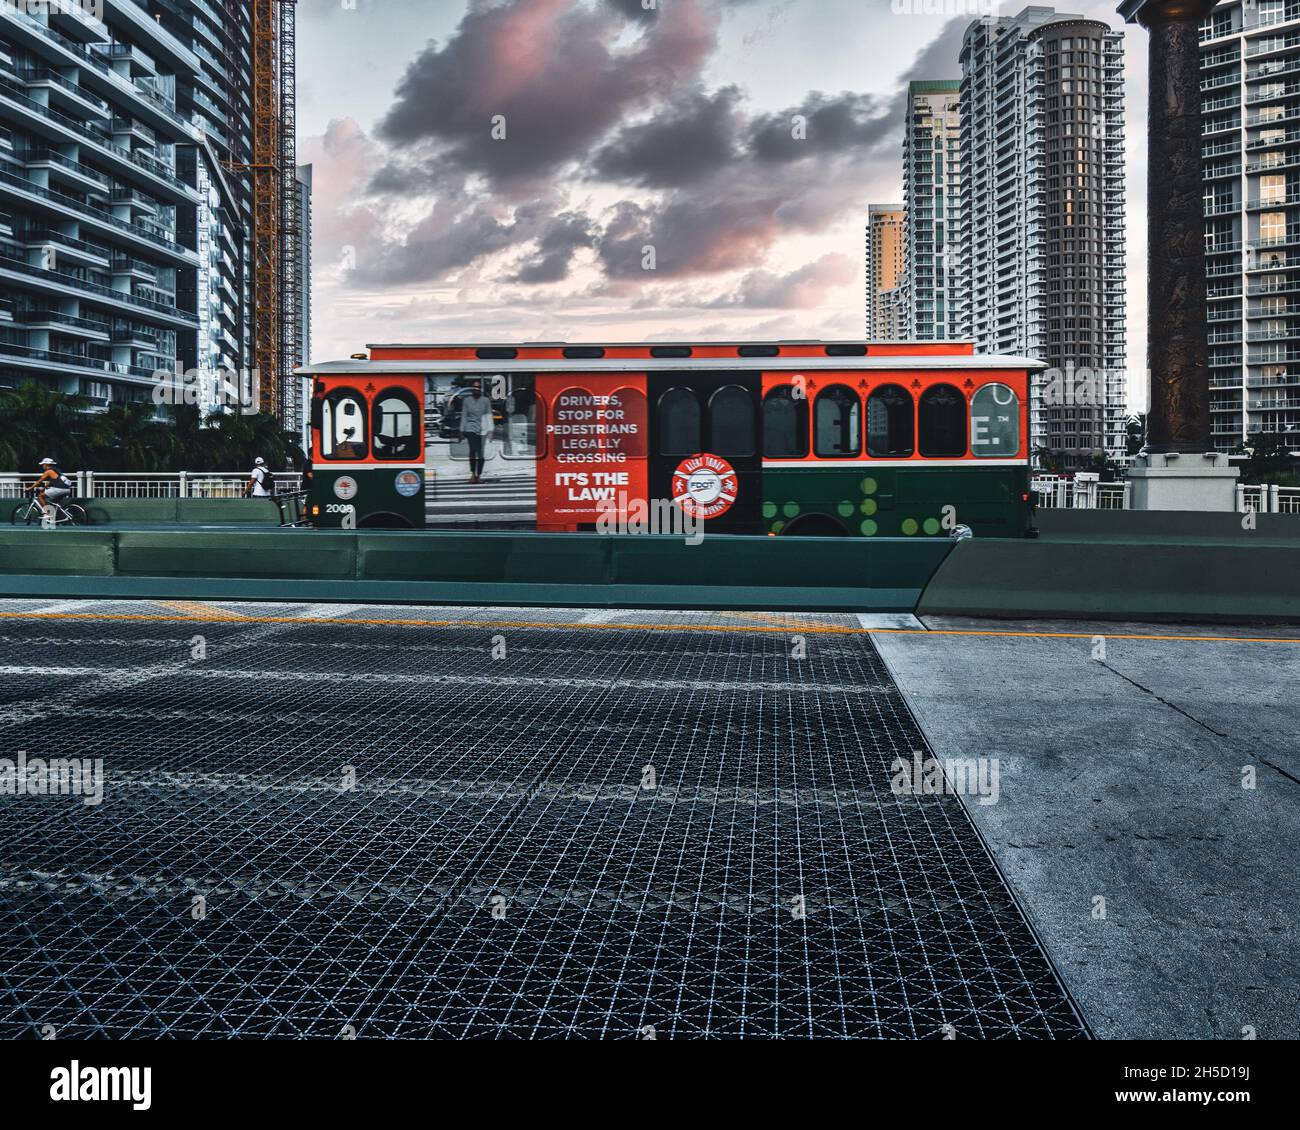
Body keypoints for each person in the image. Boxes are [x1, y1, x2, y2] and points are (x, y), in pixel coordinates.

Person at [459, 383, 493, 483]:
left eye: (478, 387)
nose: (476, 389)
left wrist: (491, 430)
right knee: (473, 450)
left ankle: (479, 475)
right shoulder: (467, 401)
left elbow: (489, 415)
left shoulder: (486, 401)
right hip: (471, 428)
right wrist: (461, 430)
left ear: (480, 389)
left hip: (483, 429)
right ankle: (473, 474)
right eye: (474, 387)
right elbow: (464, 415)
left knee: (481, 453)